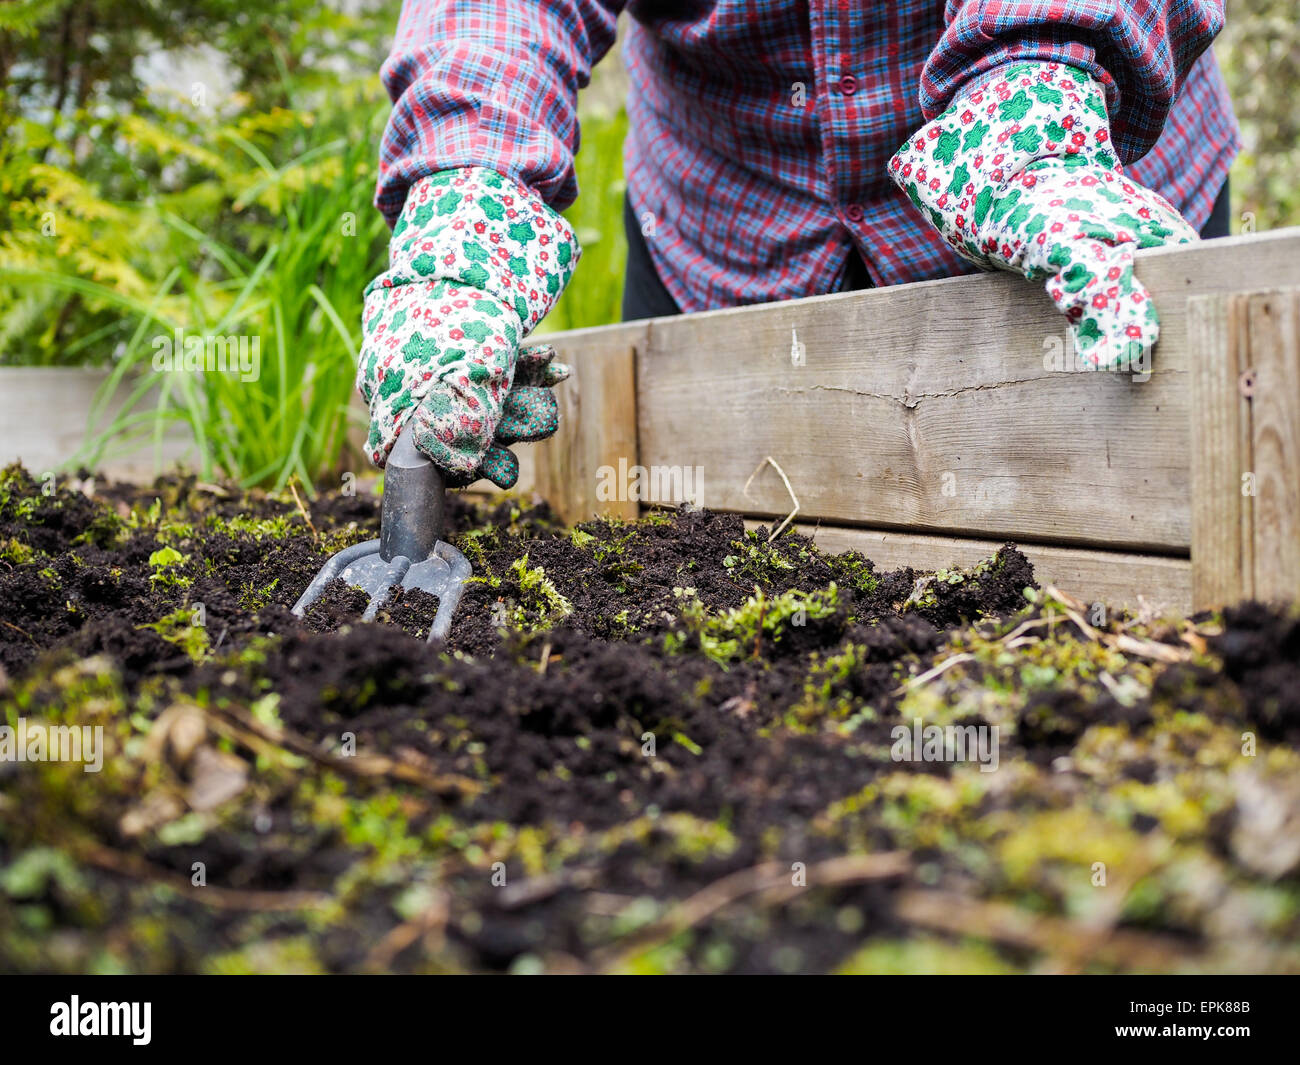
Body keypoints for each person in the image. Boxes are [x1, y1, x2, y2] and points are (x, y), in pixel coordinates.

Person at [356, 2, 1240, 490]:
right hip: (727, 216)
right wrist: (463, 213)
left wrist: (1040, 74)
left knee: (1158, 503)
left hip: (1069, 177)